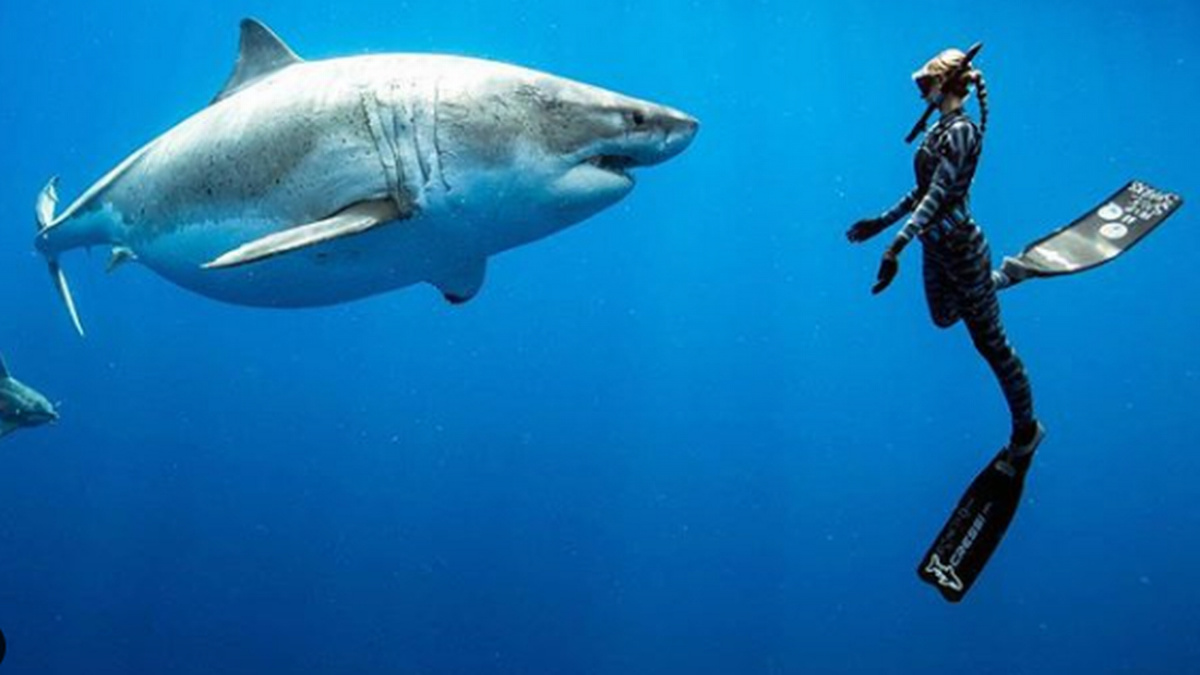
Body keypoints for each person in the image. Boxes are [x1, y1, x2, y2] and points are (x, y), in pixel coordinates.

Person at [847, 48, 1045, 463]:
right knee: (942, 317)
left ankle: (1026, 431)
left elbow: (937, 197)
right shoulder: (937, 130)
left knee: (992, 346)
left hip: (962, 247)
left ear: (943, 83)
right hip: (934, 247)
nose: (921, 94)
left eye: (925, 85)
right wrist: (879, 223)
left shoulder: (961, 131)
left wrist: (894, 247)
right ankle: (993, 283)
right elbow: (921, 193)